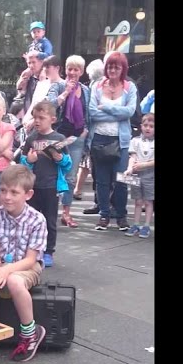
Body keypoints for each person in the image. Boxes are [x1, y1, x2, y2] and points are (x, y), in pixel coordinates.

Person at [0, 164, 49, 363]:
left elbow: (31, 260)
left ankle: (29, 334)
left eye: (14, 192)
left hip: (26, 267)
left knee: (15, 281)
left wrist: (7, 269)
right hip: (2, 266)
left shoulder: (37, 220)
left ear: (28, 194)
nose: (7, 197)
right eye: (3, 191)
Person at [86, 51, 138, 231]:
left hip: (121, 141)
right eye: (109, 65)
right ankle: (104, 215)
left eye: (116, 66)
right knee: (101, 181)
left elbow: (130, 111)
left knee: (122, 180)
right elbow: (92, 112)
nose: (112, 69)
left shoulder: (129, 87)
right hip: (99, 138)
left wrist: (106, 107)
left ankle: (121, 215)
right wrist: (117, 113)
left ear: (123, 68)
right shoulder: (97, 86)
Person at [18, 100, 70, 268]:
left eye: (41, 117)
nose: (37, 121)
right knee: (30, 219)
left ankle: (48, 251)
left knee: (50, 220)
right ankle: (30, 250)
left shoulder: (59, 139)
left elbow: (67, 164)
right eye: (35, 117)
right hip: (33, 187)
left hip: (51, 186)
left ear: (52, 119)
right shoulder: (32, 138)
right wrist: (30, 160)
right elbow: (23, 162)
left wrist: (60, 158)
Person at [47, 55, 91, 228]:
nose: (72, 72)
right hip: (59, 136)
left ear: (81, 72)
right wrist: (65, 92)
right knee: (54, 174)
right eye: (69, 69)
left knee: (71, 177)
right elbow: (49, 105)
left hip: (77, 138)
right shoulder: (57, 85)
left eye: (76, 69)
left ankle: (66, 213)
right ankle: (51, 211)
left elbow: (88, 113)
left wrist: (85, 131)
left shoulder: (85, 90)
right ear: (65, 70)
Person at [75, 58, 104, 206]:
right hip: (91, 132)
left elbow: (92, 110)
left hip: (92, 132)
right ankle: (98, 200)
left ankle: (82, 192)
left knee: (88, 165)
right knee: (90, 166)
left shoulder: (92, 86)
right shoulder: (94, 86)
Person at [125, 112, 154, 238]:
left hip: (150, 176)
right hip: (137, 176)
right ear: (141, 126)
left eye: (151, 126)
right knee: (138, 201)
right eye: (146, 125)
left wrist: (144, 165)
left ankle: (146, 225)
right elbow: (133, 156)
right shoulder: (135, 141)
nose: (148, 128)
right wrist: (129, 168)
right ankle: (135, 224)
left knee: (148, 202)